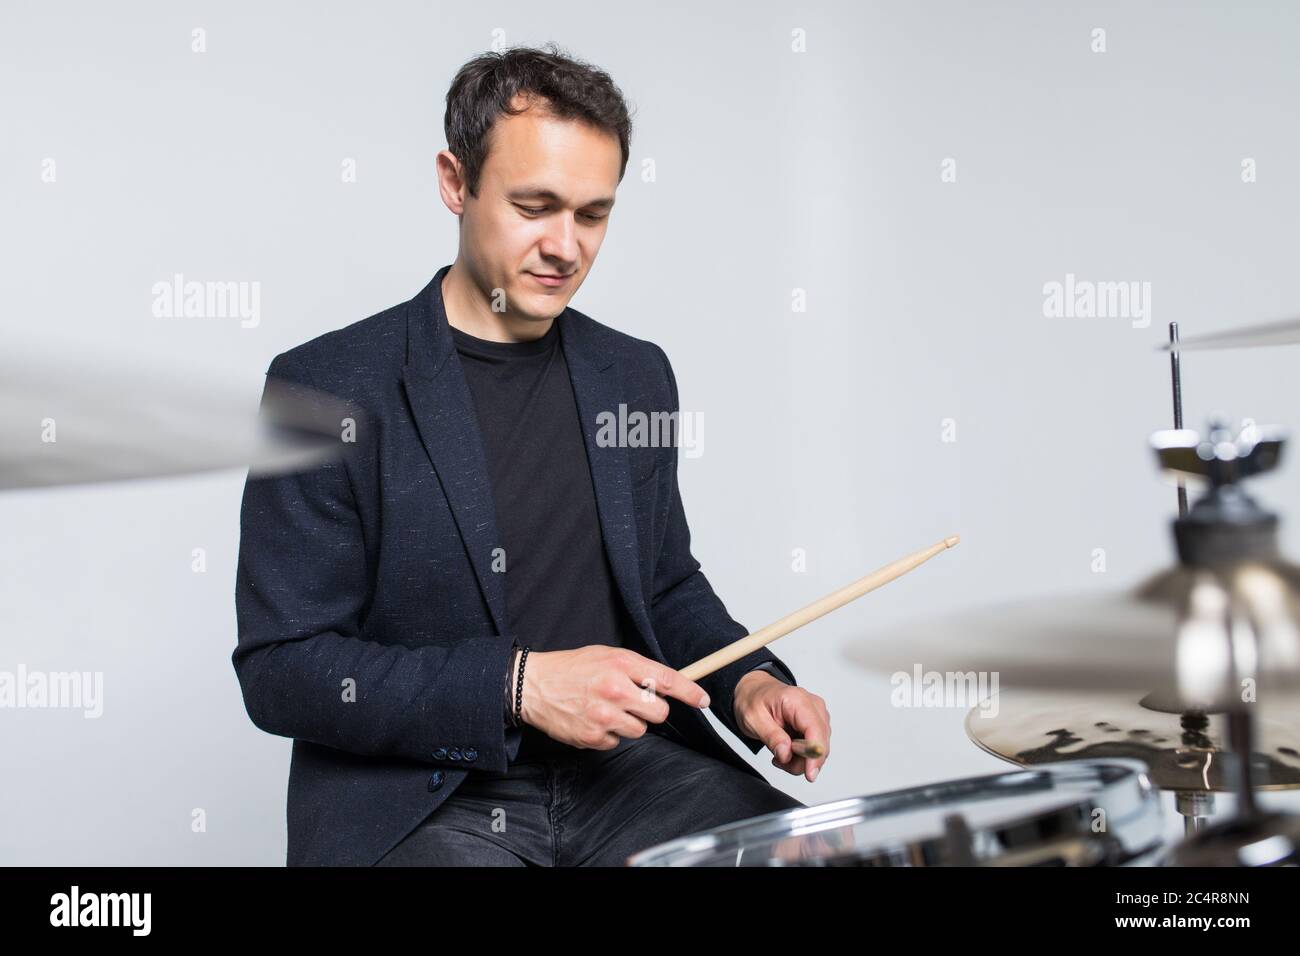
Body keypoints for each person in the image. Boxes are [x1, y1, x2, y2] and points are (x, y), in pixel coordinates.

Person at [233, 42, 831, 867]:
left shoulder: (636, 374)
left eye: (593, 214)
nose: (566, 245)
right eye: (535, 205)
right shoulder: (322, 387)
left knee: (821, 855)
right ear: (455, 181)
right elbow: (283, 668)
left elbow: (665, 583)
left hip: (624, 777)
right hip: (424, 798)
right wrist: (518, 687)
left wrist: (749, 681)